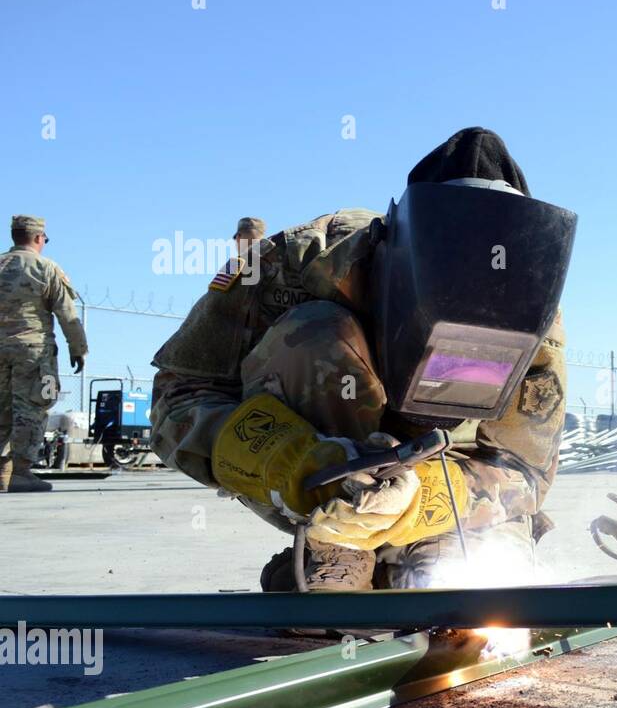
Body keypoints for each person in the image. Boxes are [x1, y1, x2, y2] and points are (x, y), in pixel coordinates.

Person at [150, 128, 572, 591]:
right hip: (321, 462)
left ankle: (406, 553)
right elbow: (177, 398)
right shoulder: (297, 263)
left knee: (462, 586)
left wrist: (423, 499)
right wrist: (296, 463)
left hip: (447, 480)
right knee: (317, 331)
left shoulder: (535, 312)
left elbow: (524, 471)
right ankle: (336, 545)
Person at [0, 216, 88, 493]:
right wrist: (79, 349)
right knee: (32, 408)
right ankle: (21, 472)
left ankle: (2, 472)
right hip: (33, 352)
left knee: (1, 410)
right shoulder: (46, 268)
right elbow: (67, 314)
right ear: (39, 239)